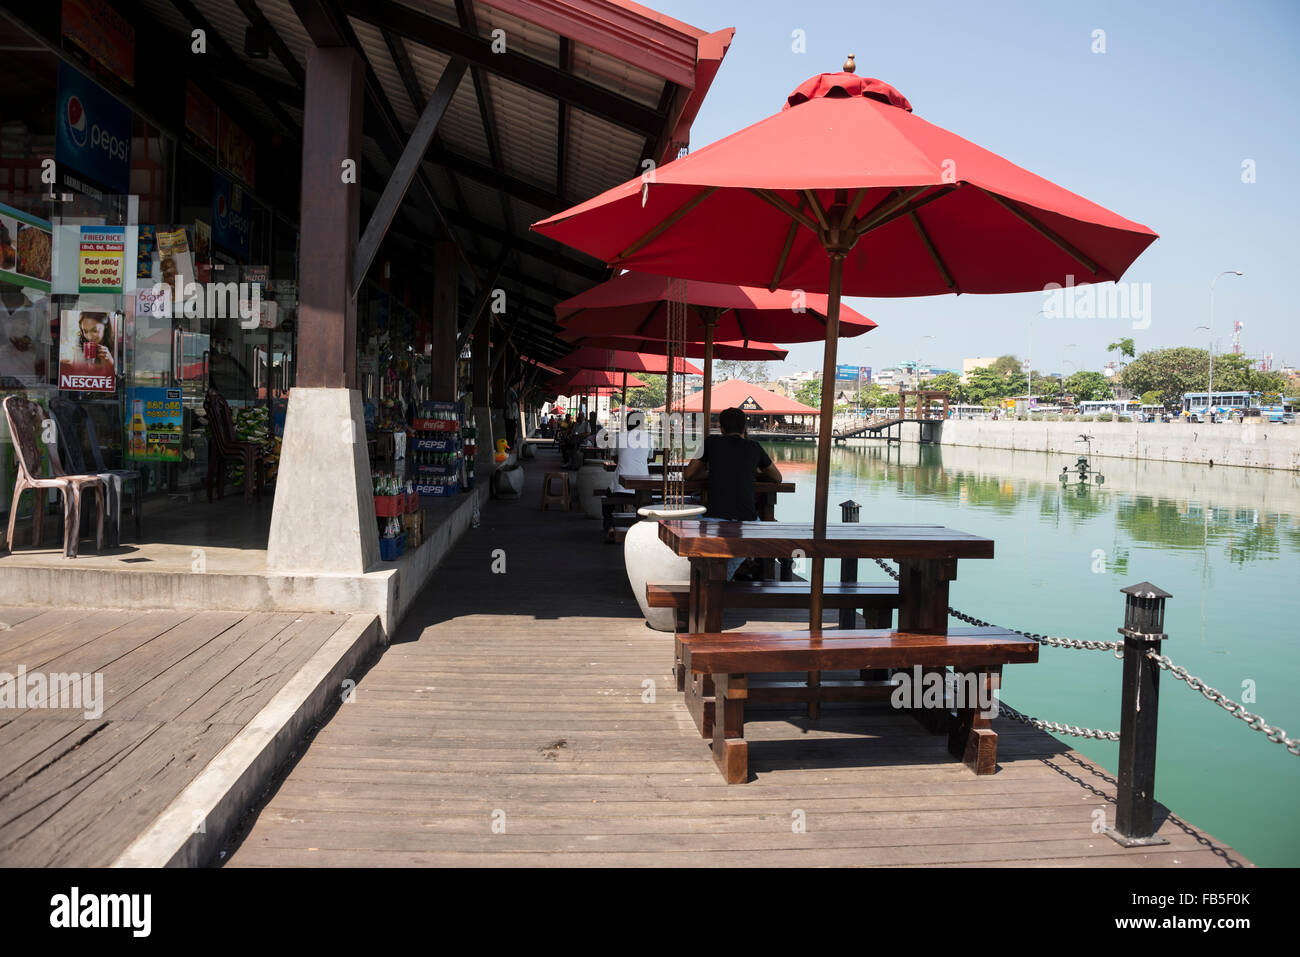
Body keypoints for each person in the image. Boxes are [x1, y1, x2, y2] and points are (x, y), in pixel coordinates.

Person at [685, 406, 782, 579]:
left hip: (714, 518)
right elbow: (777, 477)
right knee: (736, 550)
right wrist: (755, 472)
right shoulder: (754, 447)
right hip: (749, 522)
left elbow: (689, 474)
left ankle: (715, 581)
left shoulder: (711, 443)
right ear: (744, 428)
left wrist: (712, 471)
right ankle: (722, 578)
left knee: (688, 524)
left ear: (721, 428)